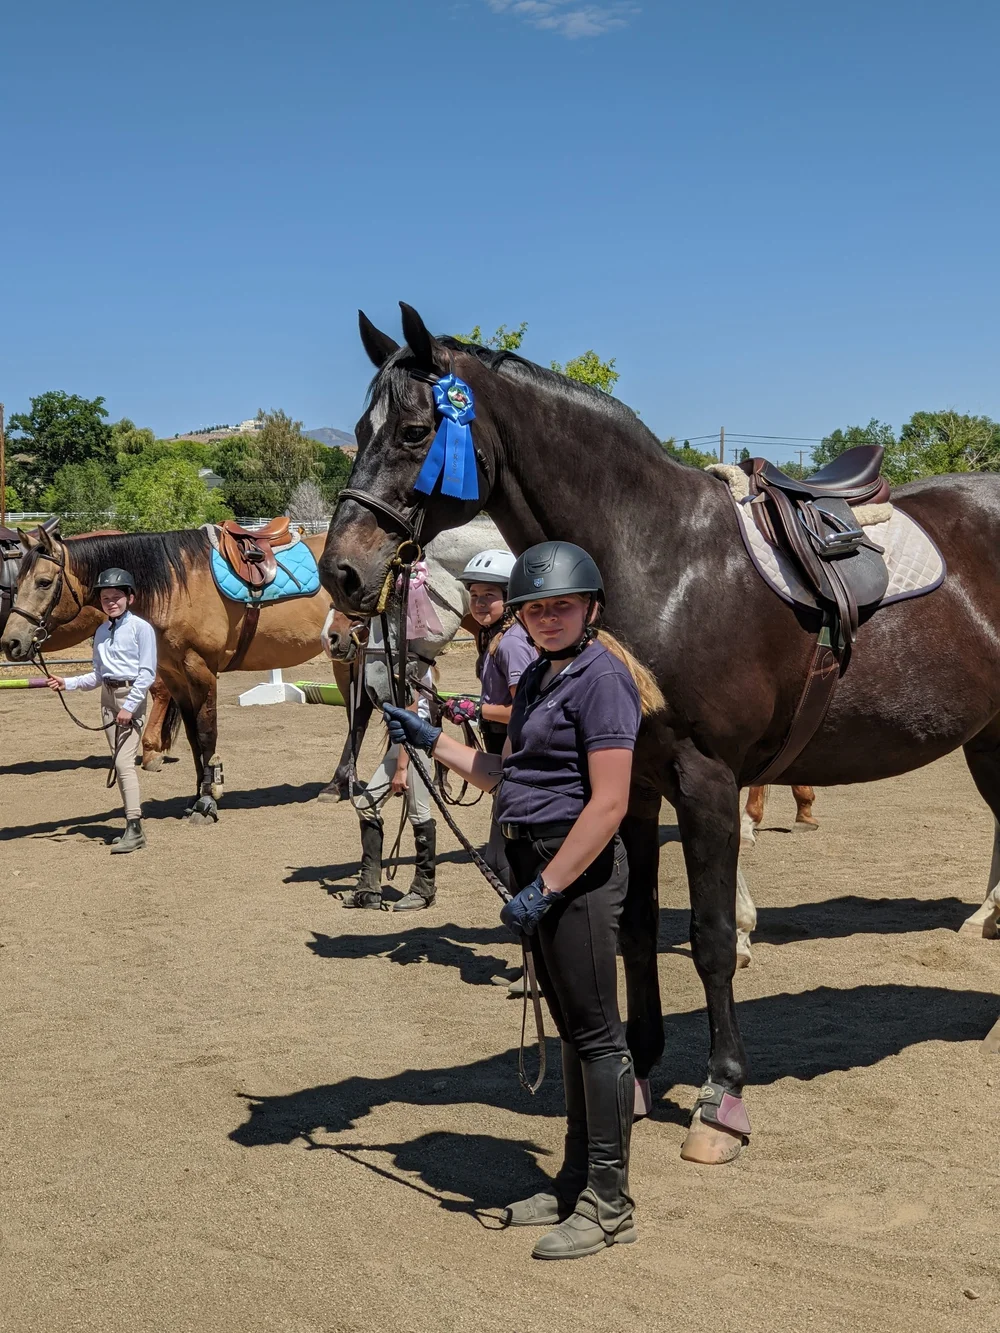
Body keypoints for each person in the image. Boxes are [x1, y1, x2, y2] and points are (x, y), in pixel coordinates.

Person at [384, 540, 664, 1261]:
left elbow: (608, 803)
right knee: (573, 1032)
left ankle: (610, 1202)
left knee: (599, 1036)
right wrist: (431, 741)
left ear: (591, 609)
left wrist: (549, 886)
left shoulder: (603, 679)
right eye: (535, 609)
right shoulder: (539, 673)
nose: (546, 619)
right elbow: (505, 773)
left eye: (559, 607)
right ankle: (573, 1179)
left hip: (580, 872)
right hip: (535, 863)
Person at [46, 568, 157, 854]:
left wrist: (130, 707)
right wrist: (66, 683)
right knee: (119, 763)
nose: (111, 602)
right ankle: (131, 824)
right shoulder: (102, 631)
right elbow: (97, 675)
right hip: (107, 697)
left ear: (130, 598)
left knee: (123, 764)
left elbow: (147, 674)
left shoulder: (141, 629)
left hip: (129, 696)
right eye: (106, 597)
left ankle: (135, 828)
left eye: (117, 596)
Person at [341, 617, 437, 912]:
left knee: (419, 812)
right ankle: (369, 887)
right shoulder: (388, 656)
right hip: (401, 745)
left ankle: (424, 887)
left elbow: (411, 714)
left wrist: (402, 768)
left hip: (414, 745)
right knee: (366, 804)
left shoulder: (407, 660)